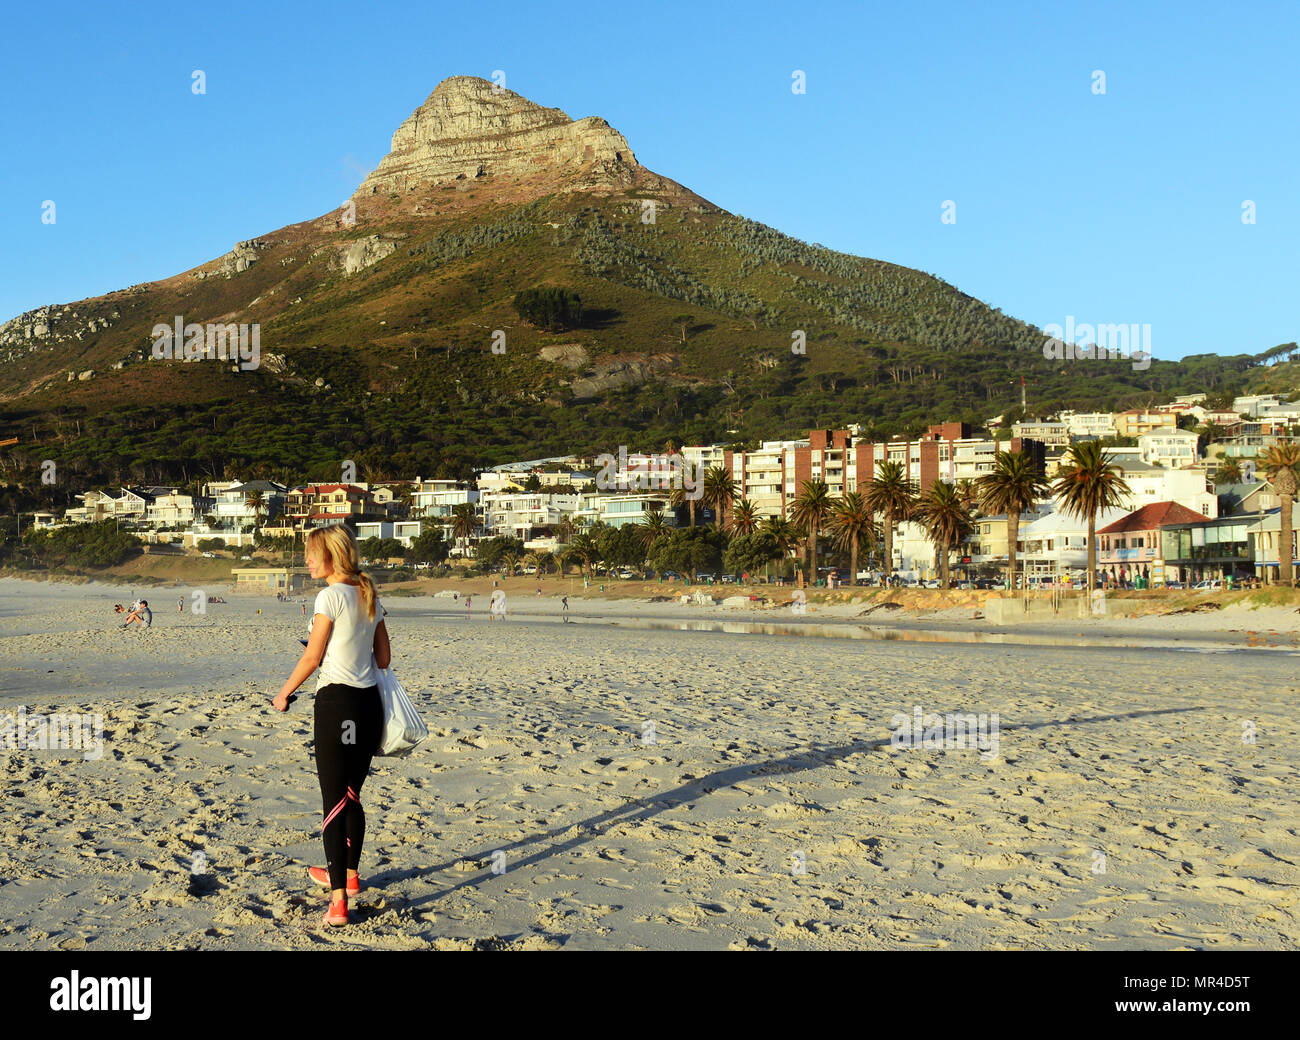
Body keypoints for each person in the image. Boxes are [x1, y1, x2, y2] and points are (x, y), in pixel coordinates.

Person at [272, 524, 389, 928]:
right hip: (368, 706)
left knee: (333, 802)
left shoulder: (330, 596)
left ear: (332, 557)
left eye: (311, 553)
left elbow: (312, 658)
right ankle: (350, 877)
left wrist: (284, 693)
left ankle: (338, 903)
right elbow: (385, 658)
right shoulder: (367, 593)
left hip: (337, 706)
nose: (306, 561)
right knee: (352, 795)